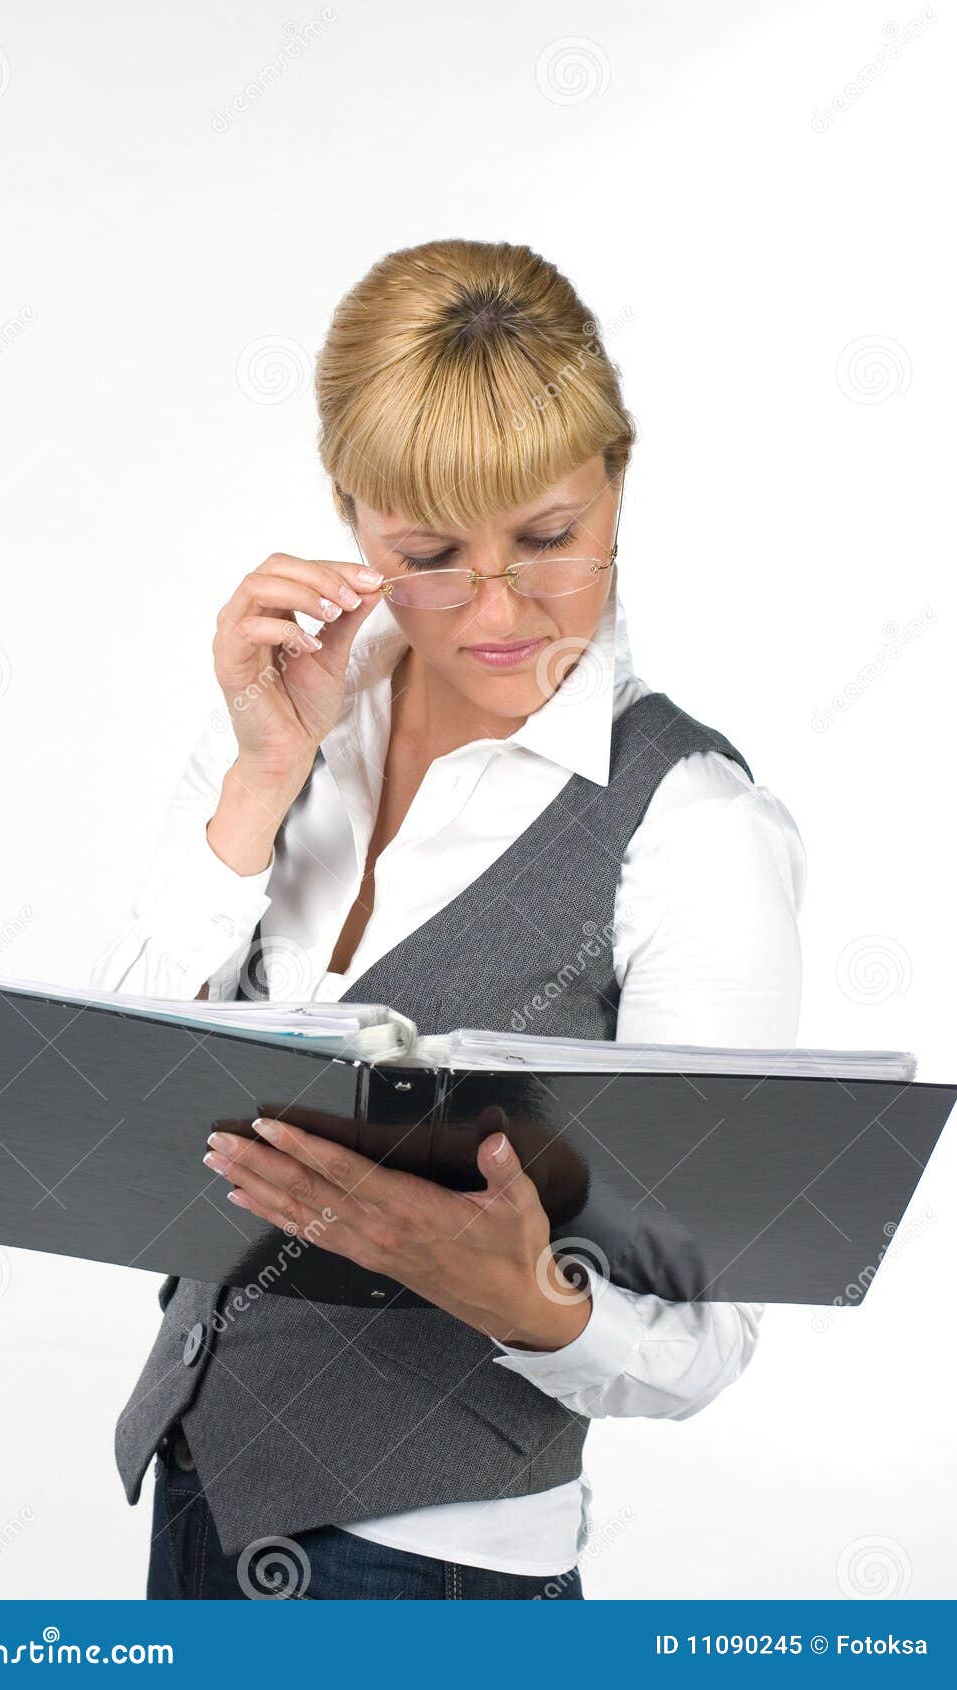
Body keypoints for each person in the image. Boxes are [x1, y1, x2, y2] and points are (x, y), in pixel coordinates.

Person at [90, 238, 805, 1601]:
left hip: (444, 1581)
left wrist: (524, 1299)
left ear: (618, 481)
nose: (495, 608)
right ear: (352, 516)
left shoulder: (694, 827)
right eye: (428, 554)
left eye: (548, 537)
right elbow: (125, 1094)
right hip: (198, 1505)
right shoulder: (294, 718)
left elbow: (713, 1331)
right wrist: (255, 780)